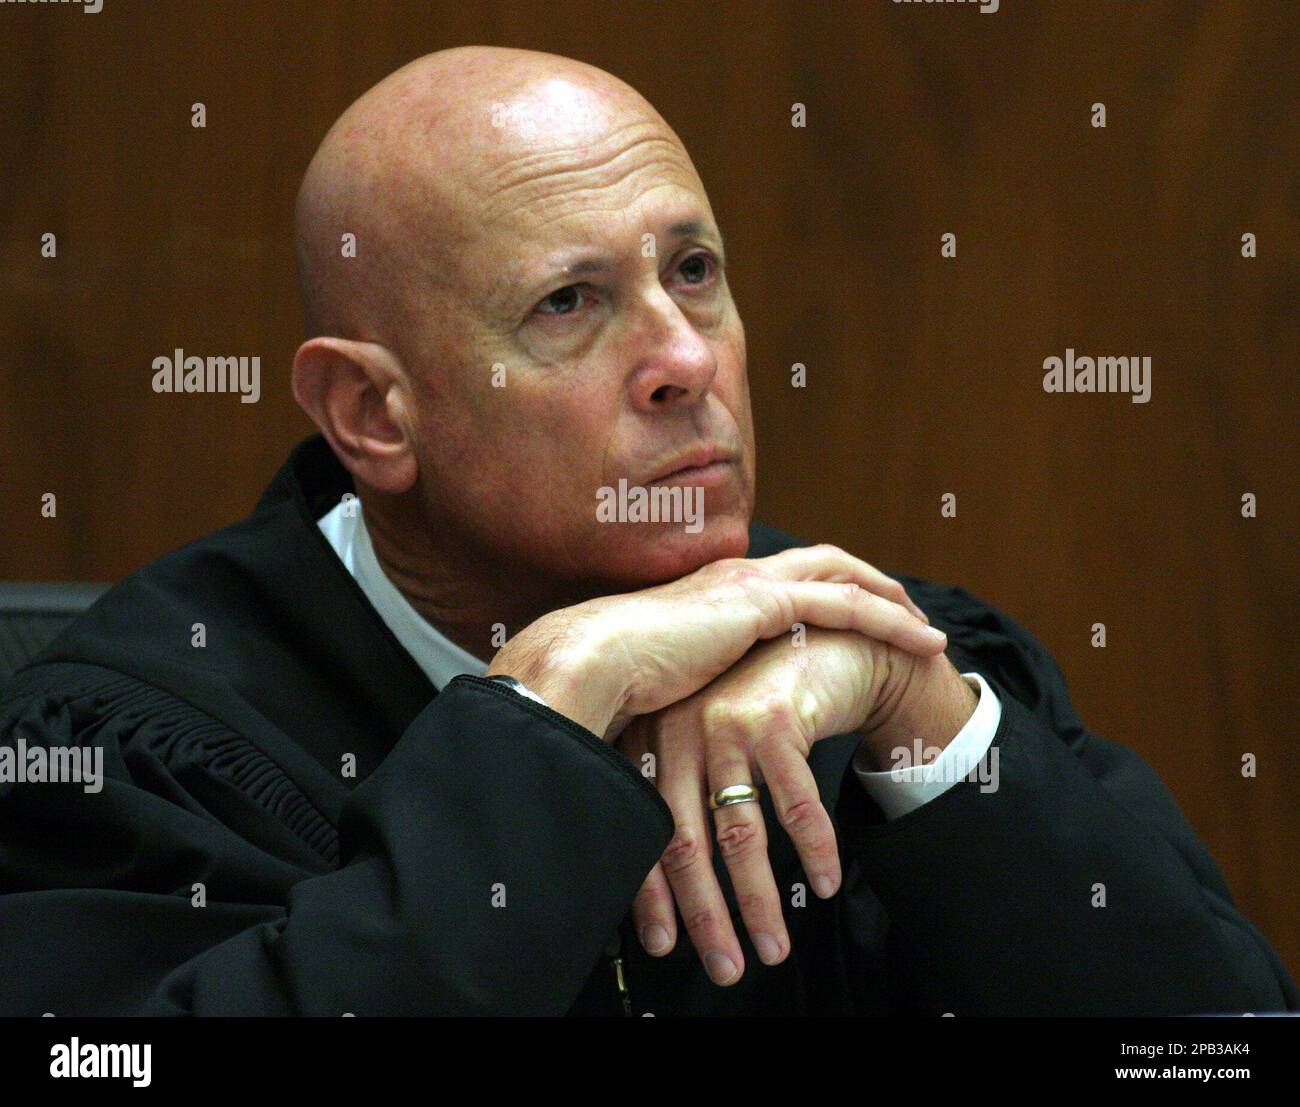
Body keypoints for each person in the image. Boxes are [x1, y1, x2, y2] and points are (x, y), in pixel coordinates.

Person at [1, 46, 1293, 1016]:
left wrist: (932, 740)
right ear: (373, 412)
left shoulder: (885, 649)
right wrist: (539, 728)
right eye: (569, 302)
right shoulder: (127, 751)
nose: (686, 360)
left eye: (692, 271)